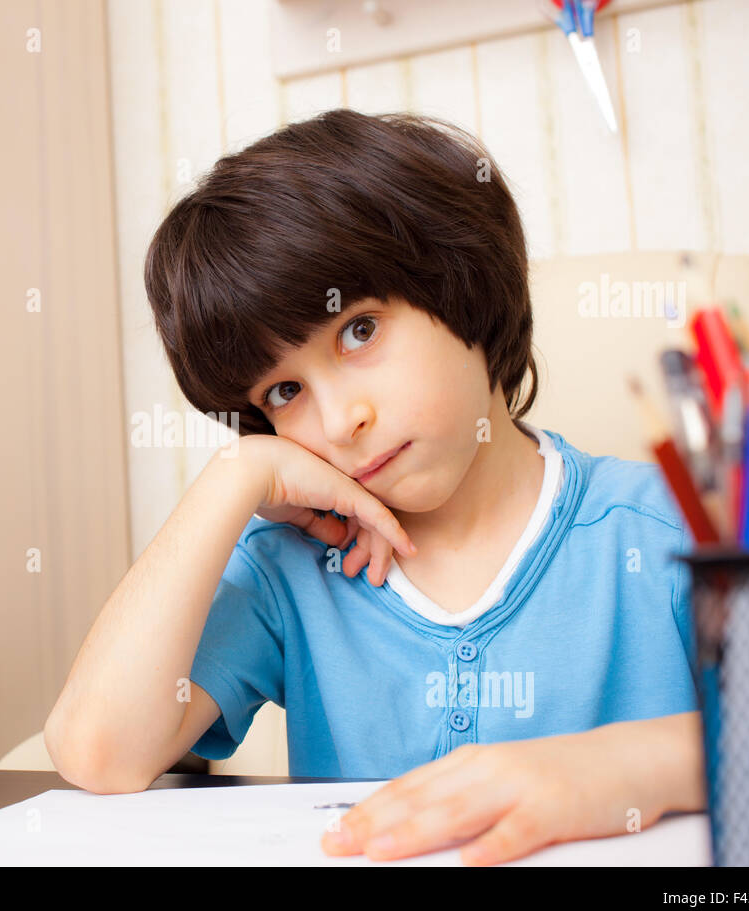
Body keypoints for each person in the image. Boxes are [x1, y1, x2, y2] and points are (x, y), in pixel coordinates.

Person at [45, 109, 705, 865]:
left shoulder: (671, 528)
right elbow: (98, 752)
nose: (341, 421)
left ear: (465, 287)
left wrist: (620, 767)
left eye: (359, 331)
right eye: (284, 392)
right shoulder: (288, 568)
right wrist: (234, 477)